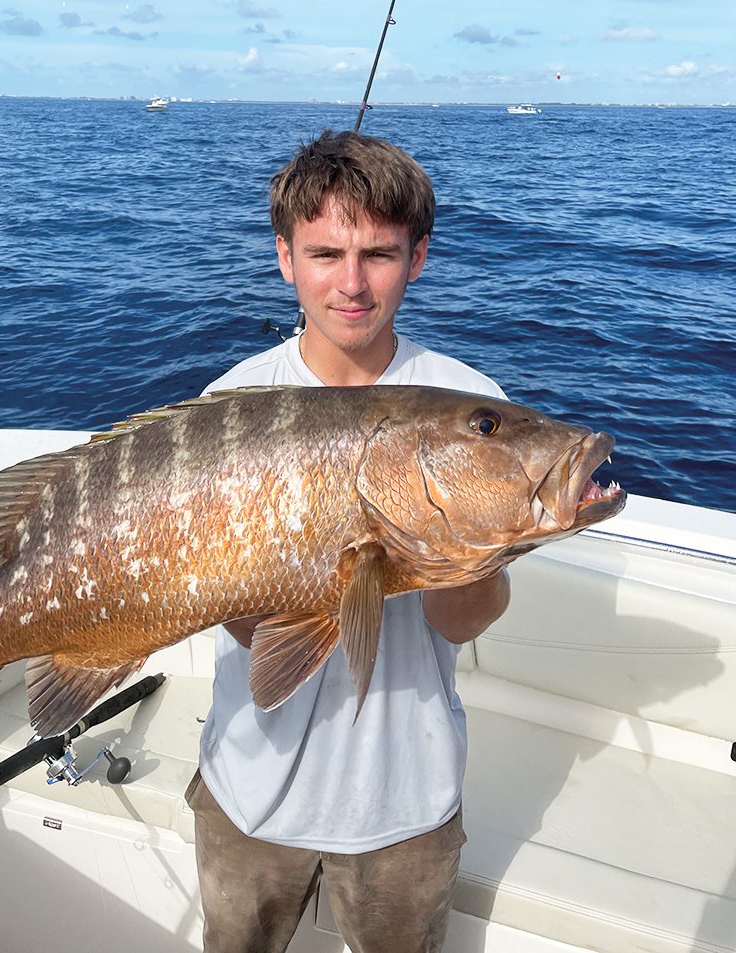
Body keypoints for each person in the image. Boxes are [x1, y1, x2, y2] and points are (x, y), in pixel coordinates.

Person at [186, 129, 511, 953]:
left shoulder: (470, 403)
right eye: (325, 252)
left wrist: (463, 539)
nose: (353, 283)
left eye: (380, 253)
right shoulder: (231, 402)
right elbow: (247, 629)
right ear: (285, 259)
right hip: (248, 791)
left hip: (405, 802)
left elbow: (464, 623)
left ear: (420, 257)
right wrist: (241, 585)